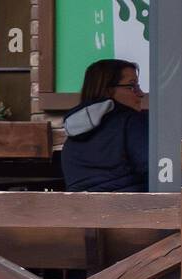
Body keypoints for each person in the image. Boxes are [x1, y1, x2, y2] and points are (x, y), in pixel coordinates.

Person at [61, 58, 148, 192]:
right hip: (132, 209)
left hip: (83, 211)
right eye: (132, 86)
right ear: (108, 90)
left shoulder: (72, 135)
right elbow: (155, 171)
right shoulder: (132, 122)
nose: (140, 94)